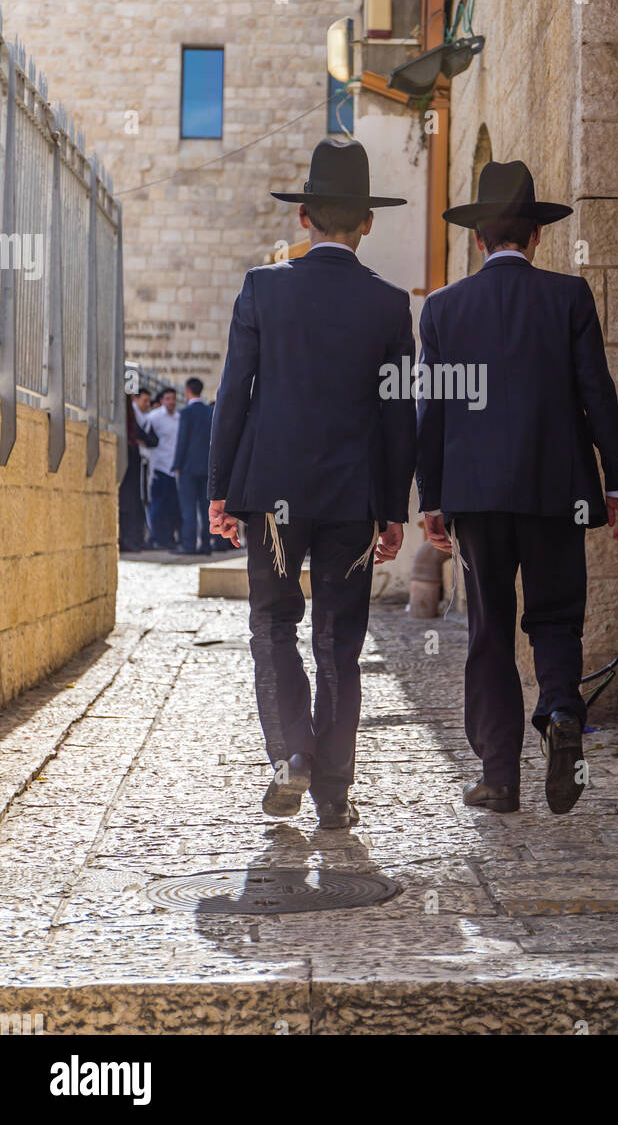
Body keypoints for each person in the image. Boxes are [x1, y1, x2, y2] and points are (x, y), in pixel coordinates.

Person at [208, 138, 416, 828]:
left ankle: (290, 756)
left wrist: (220, 488)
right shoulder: (390, 307)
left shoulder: (263, 288)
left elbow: (233, 395)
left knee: (272, 623)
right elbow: (397, 417)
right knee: (339, 642)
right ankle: (334, 794)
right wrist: (392, 509)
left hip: (271, 493)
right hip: (352, 498)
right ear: (368, 222)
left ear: (305, 219)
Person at [416, 160, 618, 816]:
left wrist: (432, 497)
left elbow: (434, 410)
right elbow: (598, 395)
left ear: (478, 239)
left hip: (476, 497)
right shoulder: (569, 297)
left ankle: (499, 778)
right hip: (556, 487)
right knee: (556, 616)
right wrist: (617, 480)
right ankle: (563, 709)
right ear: (535, 237)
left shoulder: (444, 309)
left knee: (489, 630)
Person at [172, 378, 214, 555]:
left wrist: (177, 464)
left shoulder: (186, 413)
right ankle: (206, 544)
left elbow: (182, 441)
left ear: (187, 390)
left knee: (188, 508)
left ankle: (189, 544)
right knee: (206, 509)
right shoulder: (210, 412)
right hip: (207, 467)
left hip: (188, 468)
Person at [118, 391, 157, 552]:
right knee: (130, 504)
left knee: (129, 503)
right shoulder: (129, 417)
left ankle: (129, 540)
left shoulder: (129, 417)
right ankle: (129, 540)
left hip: (129, 464)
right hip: (130, 463)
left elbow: (151, 440)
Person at [146, 387, 181, 549]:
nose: (171, 402)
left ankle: (168, 537)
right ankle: (156, 537)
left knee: (172, 507)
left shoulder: (179, 418)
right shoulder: (154, 418)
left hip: (174, 469)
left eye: (173, 398)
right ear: (161, 401)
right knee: (158, 506)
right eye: (168, 399)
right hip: (159, 467)